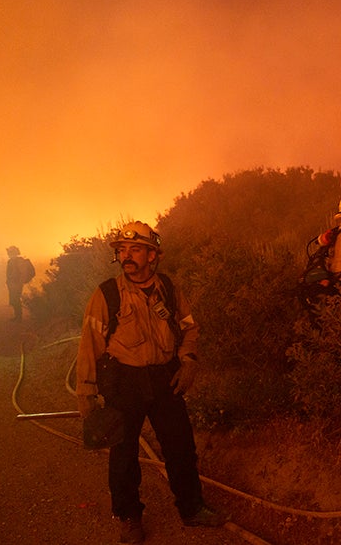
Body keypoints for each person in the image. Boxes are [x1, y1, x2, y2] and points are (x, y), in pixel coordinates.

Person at [75, 221, 227, 543]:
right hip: (124, 380)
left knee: (180, 446)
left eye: (135, 250)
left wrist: (189, 360)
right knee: (123, 454)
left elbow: (189, 328)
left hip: (164, 377)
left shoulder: (169, 289)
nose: (127, 256)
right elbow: (90, 345)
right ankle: (129, 517)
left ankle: (192, 508)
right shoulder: (107, 294)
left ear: (152, 255)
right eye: (122, 250)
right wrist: (86, 393)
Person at [5, 245, 34, 322]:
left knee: (16, 299)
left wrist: (20, 283)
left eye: (9, 252)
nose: (8, 254)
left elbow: (22, 274)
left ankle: (18, 317)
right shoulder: (11, 261)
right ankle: (17, 316)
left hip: (16, 284)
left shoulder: (18, 261)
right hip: (13, 284)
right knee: (14, 299)